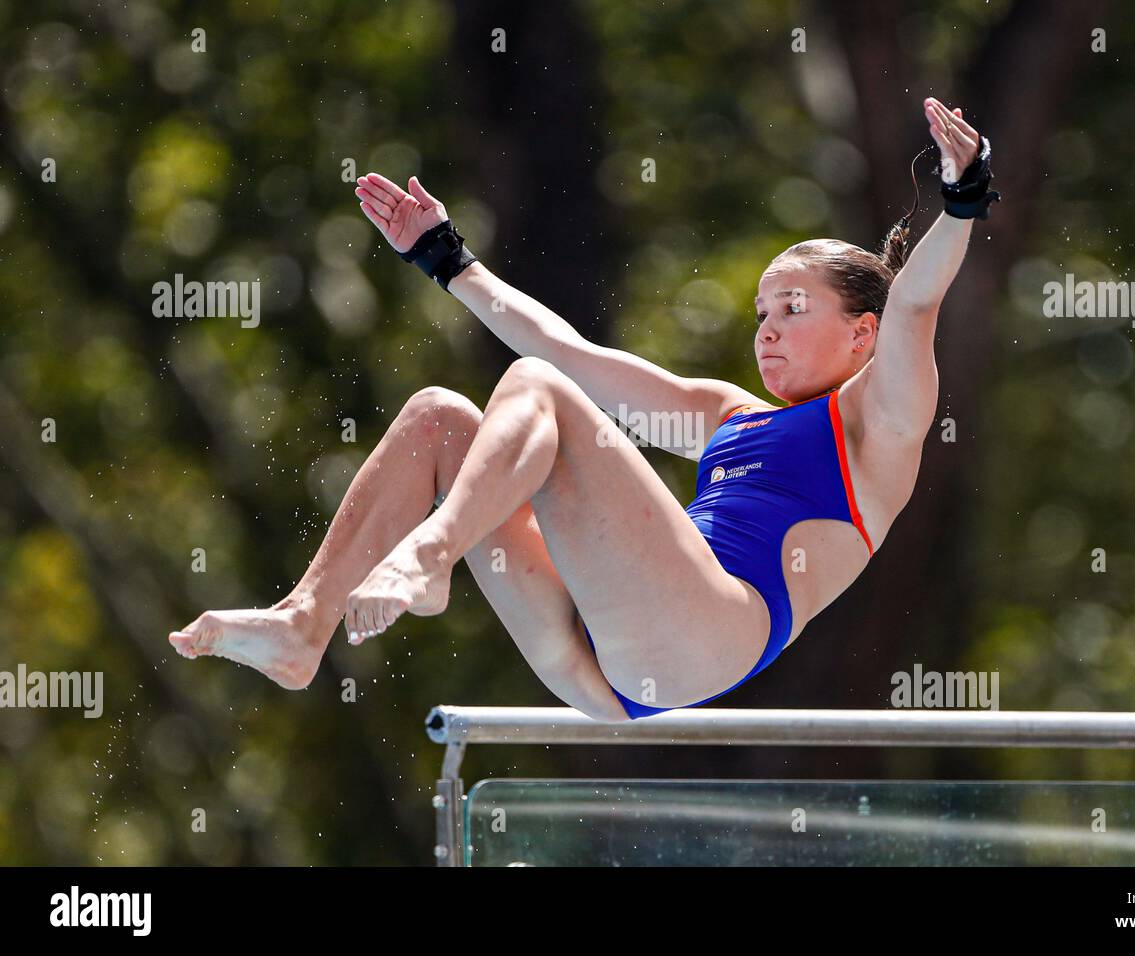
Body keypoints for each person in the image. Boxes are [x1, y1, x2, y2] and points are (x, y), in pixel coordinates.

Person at [168, 97, 998, 722]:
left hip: (703, 641)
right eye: (760, 314)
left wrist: (962, 200)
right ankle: (302, 627)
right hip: (598, 655)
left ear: (863, 333)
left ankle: (430, 555)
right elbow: (573, 357)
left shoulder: (880, 421)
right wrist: (445, 258)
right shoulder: (723, 413)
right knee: (437, 416)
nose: (768, 332)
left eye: (792, 310)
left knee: (536, 391)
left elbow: (917, 304)